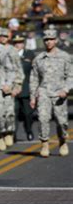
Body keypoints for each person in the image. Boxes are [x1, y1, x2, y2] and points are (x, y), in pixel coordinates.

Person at [30, 29, 72, 157]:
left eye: (51, 39)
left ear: (56, 40)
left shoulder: (65, 57)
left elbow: (71, 76)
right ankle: (45, 144)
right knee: (43, 119)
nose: (49, 42)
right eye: (46, 40)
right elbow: (34, 79)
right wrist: (33, 97)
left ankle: (63, 141)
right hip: (43, 92)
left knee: (61, 121)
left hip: (60, 93)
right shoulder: (39, 58)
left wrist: (65, 89)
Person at [12, 34, 35, 141]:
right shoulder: (9, 54)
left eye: (20, 43)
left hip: (26, 88)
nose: (18, 45)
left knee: (28, 113)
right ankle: (13, 134)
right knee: (14, 112)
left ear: (23, 44)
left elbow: (34, 72)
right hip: (13, 89)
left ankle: (29, 130)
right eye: (16, 43)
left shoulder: (30, 54)